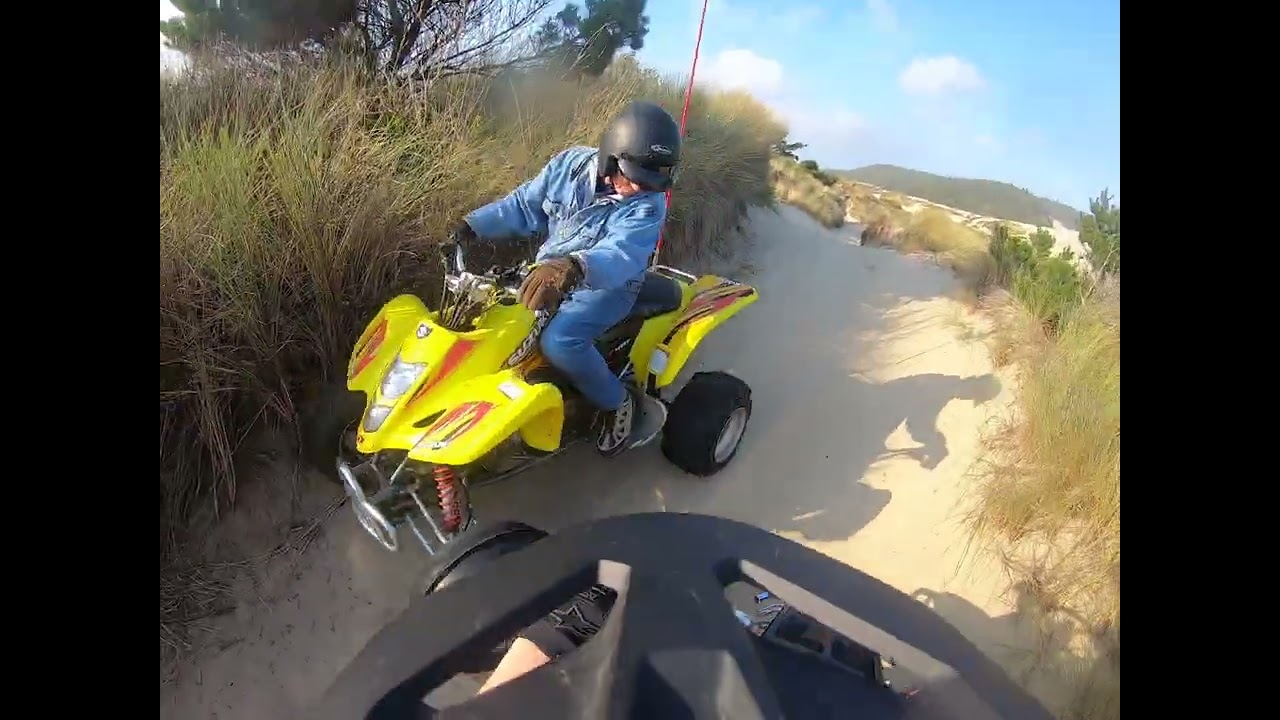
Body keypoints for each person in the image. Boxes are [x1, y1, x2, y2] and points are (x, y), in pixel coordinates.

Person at [450, 100, 683, 456]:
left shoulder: (649, 204)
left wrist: (574, 268)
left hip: (611, 283)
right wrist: (471, 226)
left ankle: (618, 402)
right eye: (634, 177)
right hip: (548, 272)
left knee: (561, 342)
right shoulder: (569, 165)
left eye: (651, 182)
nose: (639, 189)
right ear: (610, 156)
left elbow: (622, 254)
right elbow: (523, 205)